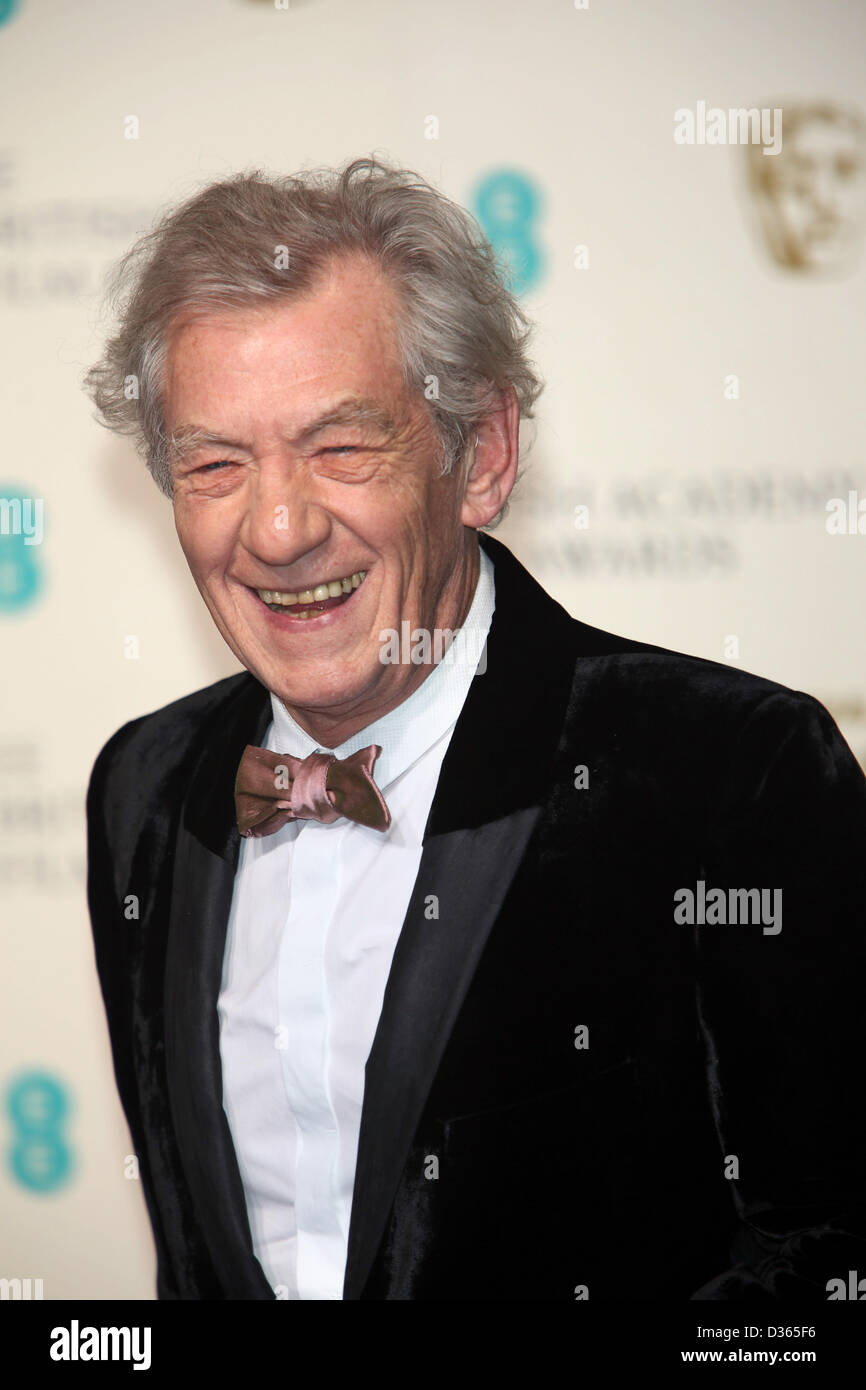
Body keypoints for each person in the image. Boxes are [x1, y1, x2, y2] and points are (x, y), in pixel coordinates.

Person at [84, 155, 866, 1301]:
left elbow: (829, 1260)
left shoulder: (728, 776)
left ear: (482, 457)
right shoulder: (146, 786)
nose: (280, 526)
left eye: (341, 446)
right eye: (215, 463)